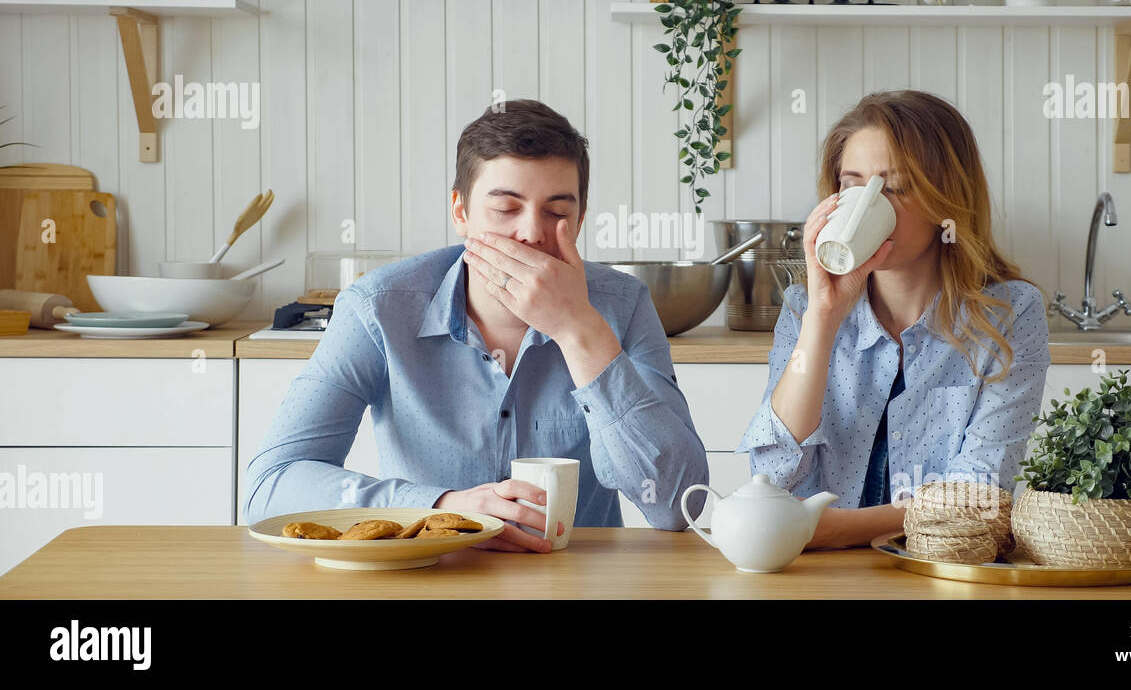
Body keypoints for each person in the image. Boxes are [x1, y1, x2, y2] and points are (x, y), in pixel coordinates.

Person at [244, 99, 709, 551]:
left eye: (557, 212)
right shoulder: (378, 308)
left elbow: (674, 506)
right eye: (506, 209)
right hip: (427, 575)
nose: (531, 233)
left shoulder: (622, 305)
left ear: (580, 218)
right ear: (460, 212)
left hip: (576, 581)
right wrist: (440, 507)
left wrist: (577, 330)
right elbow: (272, 485)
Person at [736, 90, 1051, 550]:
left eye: (895, 187)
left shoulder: (1007, 314)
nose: (868, 204)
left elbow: (977, 497)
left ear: (948, 198)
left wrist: (825, 528)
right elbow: (772, 475)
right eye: (852, 184)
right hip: (812, 575)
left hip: (940, 570)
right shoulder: (805, 308)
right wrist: (823, 317)